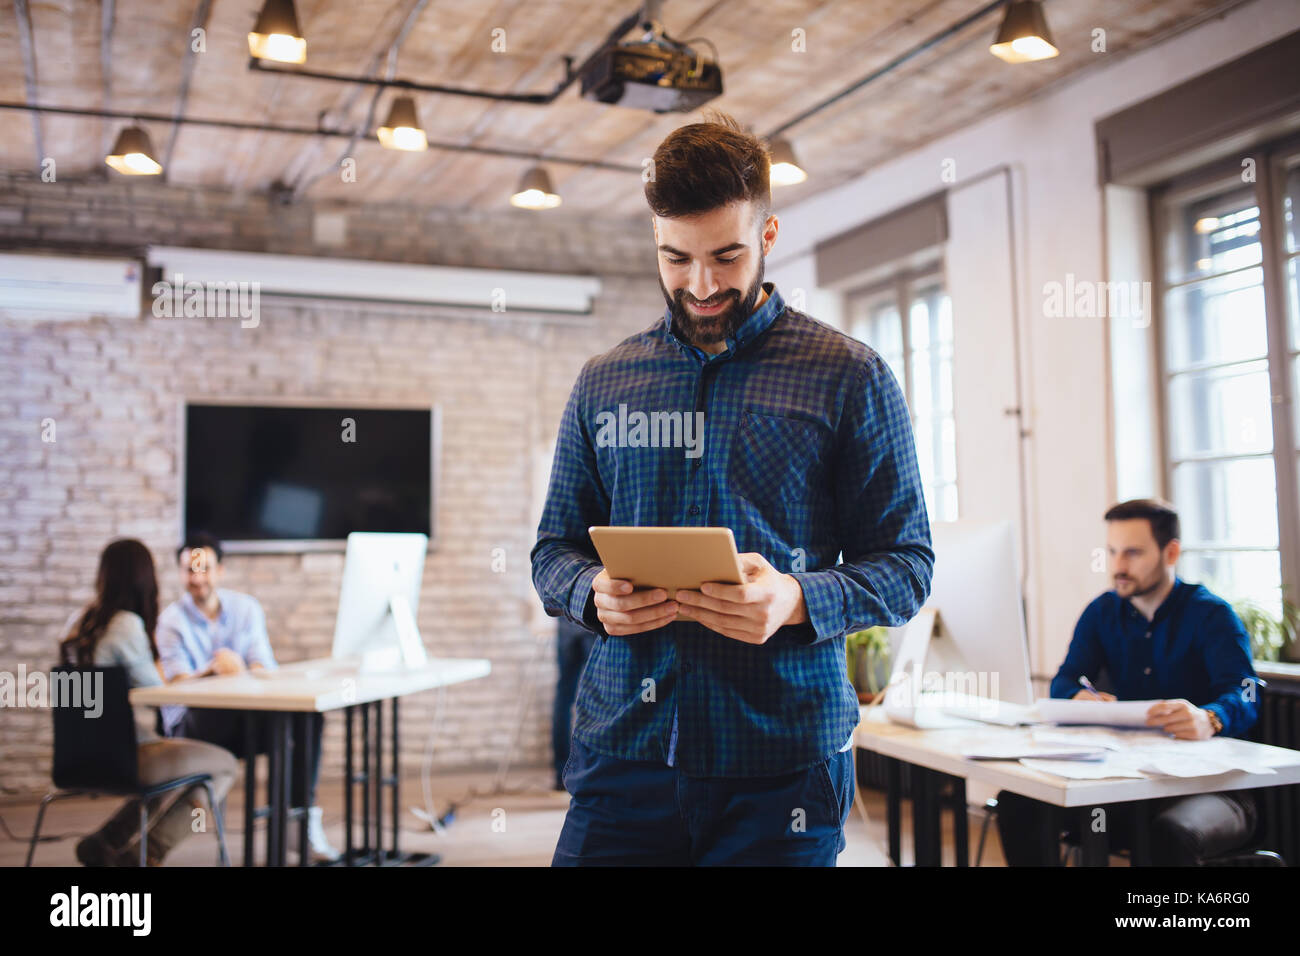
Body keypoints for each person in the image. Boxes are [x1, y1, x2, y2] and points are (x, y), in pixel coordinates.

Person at [531, 112, 934, 866]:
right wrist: (590, 591)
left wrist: (797, 598)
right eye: (676, 258)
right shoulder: (604, 381)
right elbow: (552, 549)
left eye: (726, 255)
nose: (702, 284)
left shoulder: (849, 376)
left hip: (782, 767)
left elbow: (909, 563)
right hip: (624, 754)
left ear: (769, 237)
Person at [996, 498, 1261, 865]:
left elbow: (1246, 693)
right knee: (1020, 803)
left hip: (1211, 789)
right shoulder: (1102, 611)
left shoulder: (1212, 614)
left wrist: (1210, 717)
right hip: (1126, 782)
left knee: (1168, 833)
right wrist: (1076, 695)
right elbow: (1065, 680)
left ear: (1171, 553)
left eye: (1133, 553)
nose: (1118, 567)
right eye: (1112, 552)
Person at [155, 532, 338, 863]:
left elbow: (264, 668)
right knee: (251, 715)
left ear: (220, 571)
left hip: (243, 722)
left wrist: (240, 670)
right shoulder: (170, 621)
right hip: (193, 727)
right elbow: (177, 685)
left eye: (205, 569)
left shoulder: (245, 609)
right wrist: (212, 671)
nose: (197, 578)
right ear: (180, 573)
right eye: (190, 570)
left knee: (307, 718)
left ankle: (300, 819)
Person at [60, 538, 238, 867]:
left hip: (75, 756)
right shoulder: (125, 625)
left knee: (165, 763)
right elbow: (161, 694)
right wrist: (209, 673)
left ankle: (106, 840)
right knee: (223, 765)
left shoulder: (79, 622)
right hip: (122, 758)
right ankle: (148, 854)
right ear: (144, 579)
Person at [552, 617, 598, 791]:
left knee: (563, 696)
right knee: (596, 694)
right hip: (592, 620)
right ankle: (591, 771)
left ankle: (560, 775)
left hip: (566, 618)